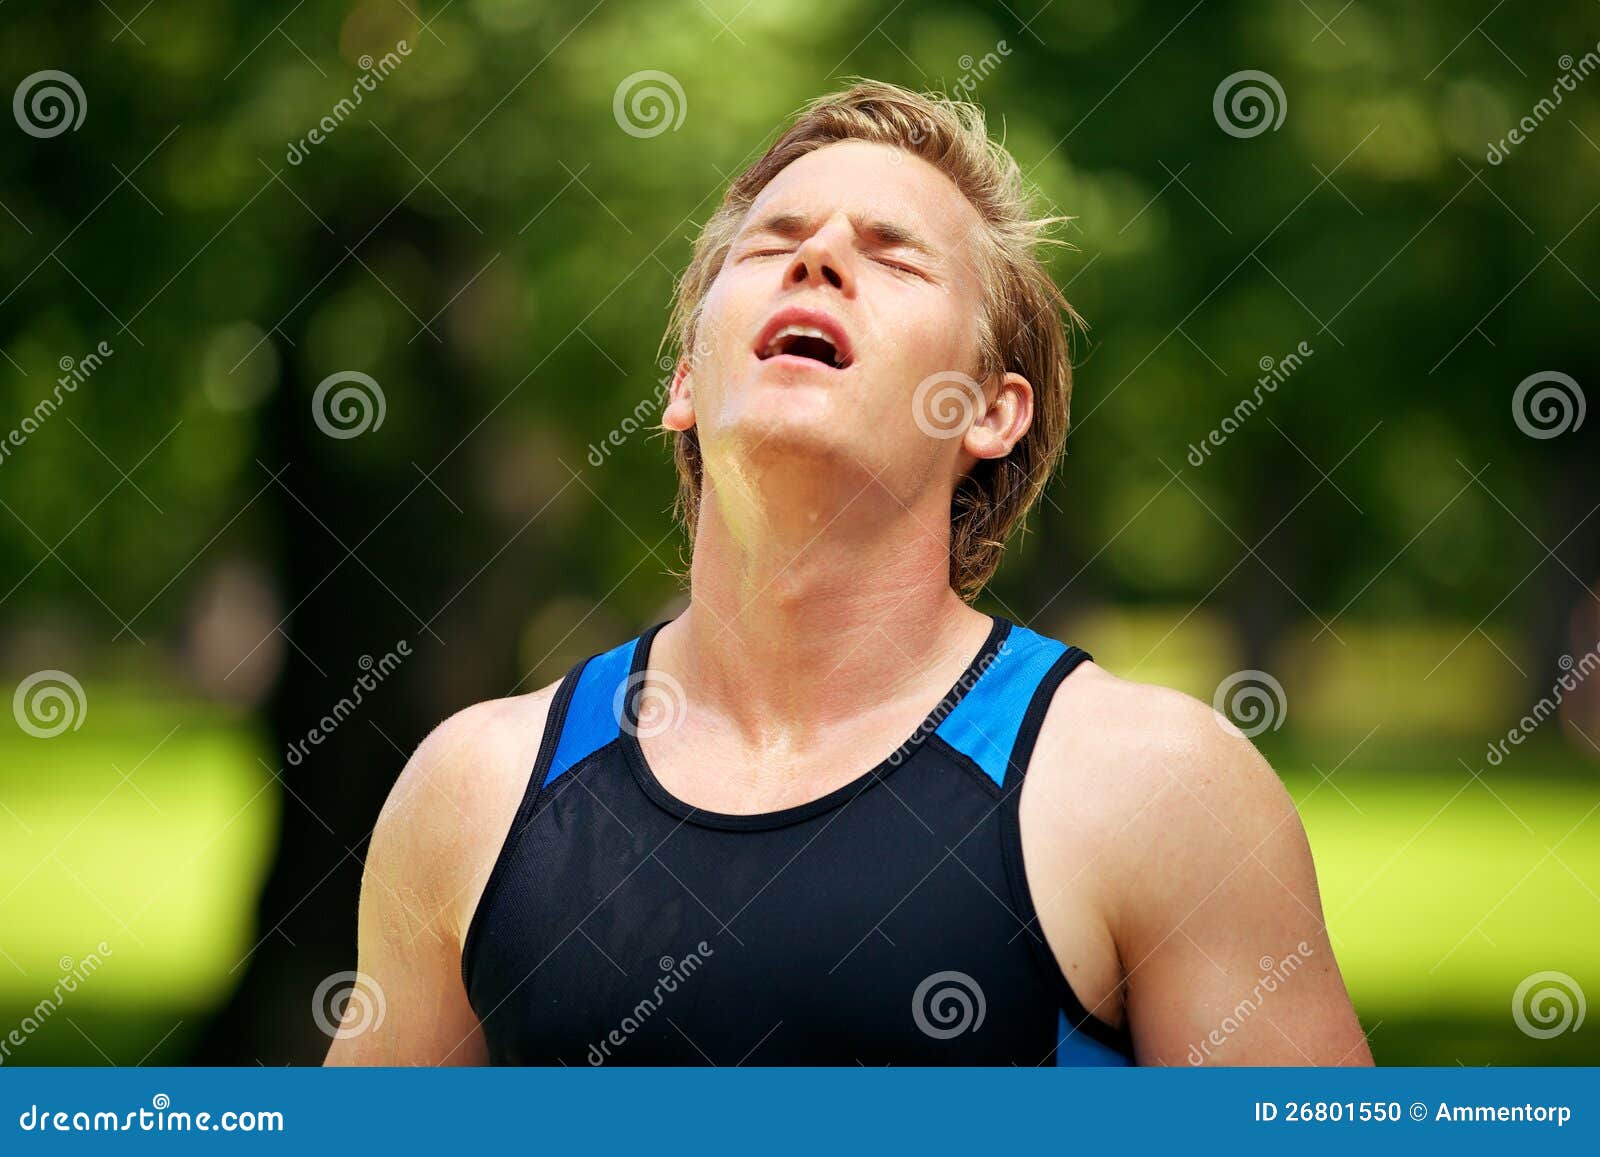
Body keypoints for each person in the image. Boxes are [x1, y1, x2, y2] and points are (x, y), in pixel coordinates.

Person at [325, 80, 1371, 1067]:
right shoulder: (474, 790)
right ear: (686, 382)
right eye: (773, 243)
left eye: (895, 257)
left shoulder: (1154, 784)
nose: (816, 256)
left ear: (987, 411)